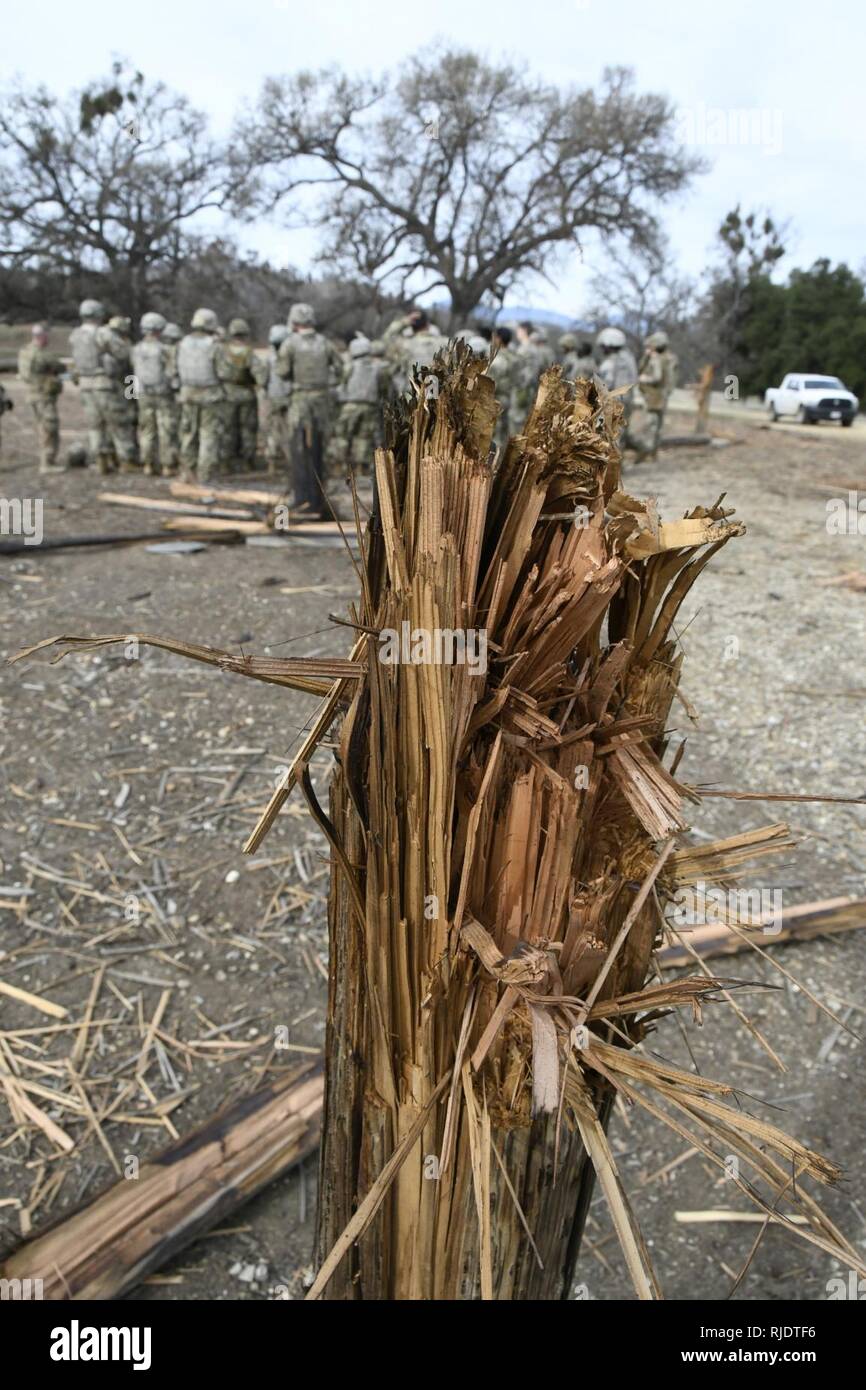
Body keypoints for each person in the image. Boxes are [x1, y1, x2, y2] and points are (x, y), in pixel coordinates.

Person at [276, 302, 342, 518]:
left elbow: (283, 372)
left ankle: (301, 497)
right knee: (319, 450)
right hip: (322, 400)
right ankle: (318, 499)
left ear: (294, 322)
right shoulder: (325, 343)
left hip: (300, 400)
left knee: (299, 450)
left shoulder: (289, 344)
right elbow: (340, 368)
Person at [68, 300, 137, 475]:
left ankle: (101, 460)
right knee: (118, 422)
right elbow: (122, 353)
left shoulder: (75, 335)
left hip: (85, 384)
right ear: (98, 314)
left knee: (95, 425)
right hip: (104, 383)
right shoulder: (103, 333)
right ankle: (126, 460)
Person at [176, 308, 230, 481]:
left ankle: (187, 472)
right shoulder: (214, 345)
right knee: (208, 434)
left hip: (187, 393)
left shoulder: (181, 343)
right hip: (210, 395)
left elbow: (173, 369)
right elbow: (224, 372)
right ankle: (205, 474)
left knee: (188, 433)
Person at [333, 336, 390, 476]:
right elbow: (384, 388)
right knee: (363, 437)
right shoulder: (377, 368)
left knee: (343, 436)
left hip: (349, 405)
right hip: (370, 406)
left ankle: (340, 466)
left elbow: (340, 384)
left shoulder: (349, 366)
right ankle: (360, 468)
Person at [131, 312, 179, 476]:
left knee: (146, 430)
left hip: (142, 393)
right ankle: (167, 465)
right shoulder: (164, 350)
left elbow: (133, 372)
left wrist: (132, 394)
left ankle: (148, 464)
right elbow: (171, 371)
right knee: (166, 429)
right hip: (162, 393)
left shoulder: (136, 349)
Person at [17, 324, 65, 472]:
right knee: (49, 428)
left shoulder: (24, 352)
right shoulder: (41, 353)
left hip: (32, 395)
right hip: (43, 395)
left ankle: (47, 460)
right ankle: (47, 463)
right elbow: (59, 367)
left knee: (41, 426)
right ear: (42, 336)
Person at [252, 324, 291, 474]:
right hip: (288, 398)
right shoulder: (291, 355)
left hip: (273, 398)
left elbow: (262, 380)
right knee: (289, 431)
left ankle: (272, 464)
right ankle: (290, 460)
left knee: (272, 431)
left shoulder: (270, 358)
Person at [221, 318, 259, 472]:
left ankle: (225, 463)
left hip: (228, 394)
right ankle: (247, 462)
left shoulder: (223, 351)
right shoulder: (249, 352)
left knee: (228, 429)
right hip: (246, 394)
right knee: (247, 429)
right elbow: (258, 373)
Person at [636, 330, 678, 461]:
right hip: (662, 396)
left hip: (654, 395)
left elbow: (656, 376)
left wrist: (643, 379)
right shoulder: (670, 358)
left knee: (651, 425)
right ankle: (653, 453)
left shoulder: (658, 358)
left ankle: (647, 453)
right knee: (657, 425)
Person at [383, 308, 445, 392]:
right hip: (437, 395)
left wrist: (404, 322)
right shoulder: (444, 343)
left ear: (411, 326)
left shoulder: (404, 344)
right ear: (427, 324)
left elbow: (387, 338)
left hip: (411, 396)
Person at [486, 325, 519, 451]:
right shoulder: (515, 358)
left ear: (499, 339)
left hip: (496, 399)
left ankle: (493, 463)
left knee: (494, 435)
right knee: (503, 433)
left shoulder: (498, 360)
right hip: (509, 399)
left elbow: (490, 384)